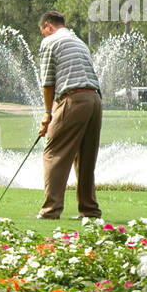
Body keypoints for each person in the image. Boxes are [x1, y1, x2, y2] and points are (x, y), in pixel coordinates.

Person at [35, 11, 102, 220]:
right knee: (85, 157)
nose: (43, 36)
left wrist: (47, 115)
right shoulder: (79, 42)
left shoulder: (50, 42)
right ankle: (89, 211)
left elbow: (48, 83)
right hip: (94, 102)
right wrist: (55, 110)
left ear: (47, 26)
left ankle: (50, 210)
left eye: (42, 32)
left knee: (53, 152)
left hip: (74, 100)